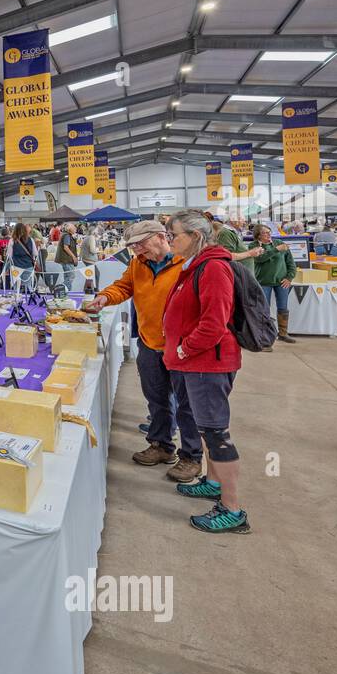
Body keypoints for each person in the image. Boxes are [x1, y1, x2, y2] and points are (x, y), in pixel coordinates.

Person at [85, 220, 202, 482]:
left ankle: (191, 457)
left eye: (141, 244)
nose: (137, 250)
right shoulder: (138, 263)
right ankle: (161, 446)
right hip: (149, 344)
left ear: (161, 237)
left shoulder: (187, 262)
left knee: (187, 405)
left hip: (182, 347)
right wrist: (104, 298)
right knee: (157, 399)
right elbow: (125, 286)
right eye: (133, 246)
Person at [161, 210, 248, 534]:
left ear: (196, 237)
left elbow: (214, 322)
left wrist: (185, 347)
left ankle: (232, 508)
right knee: (208, 429)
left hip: (206, 364)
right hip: (196, 363)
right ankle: (213, 482)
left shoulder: (212, 268)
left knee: (216, 434)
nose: (170, 240)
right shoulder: (195, 265)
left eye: (175, 235)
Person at [249, 223, 297, 346]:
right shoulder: (253, 245)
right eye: (265, 232)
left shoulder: (279, 242)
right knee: (264, 309)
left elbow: (290, 263)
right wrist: (276, 250)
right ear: (258, 235)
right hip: (263, 282)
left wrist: (289, 277)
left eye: (269, 232)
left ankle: (283, 333)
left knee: (283, 307)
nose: (269, 234)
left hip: (281, 282)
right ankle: (265, 337)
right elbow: (260, 259)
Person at [9, 221, 42, 292]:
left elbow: (9, 256)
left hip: (16, 267)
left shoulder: (12, 241)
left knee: (16, 287)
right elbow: (35, 254)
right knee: (28, 287)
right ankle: (28, 301)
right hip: (28, 266)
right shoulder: (30, 240)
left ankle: (17, 300)